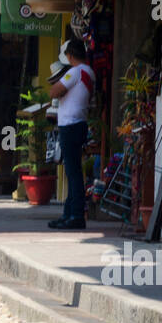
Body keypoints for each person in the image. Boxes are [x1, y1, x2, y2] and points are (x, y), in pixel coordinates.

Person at [48, 38, 96, 230]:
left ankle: (76, 215)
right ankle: (69, 213)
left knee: (73, 172)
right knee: (73, 171)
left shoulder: (75, 72)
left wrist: (57, 88)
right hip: (79, 123)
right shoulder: (89, 72)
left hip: (70, 125)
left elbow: (54, 91)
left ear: (69, 55)